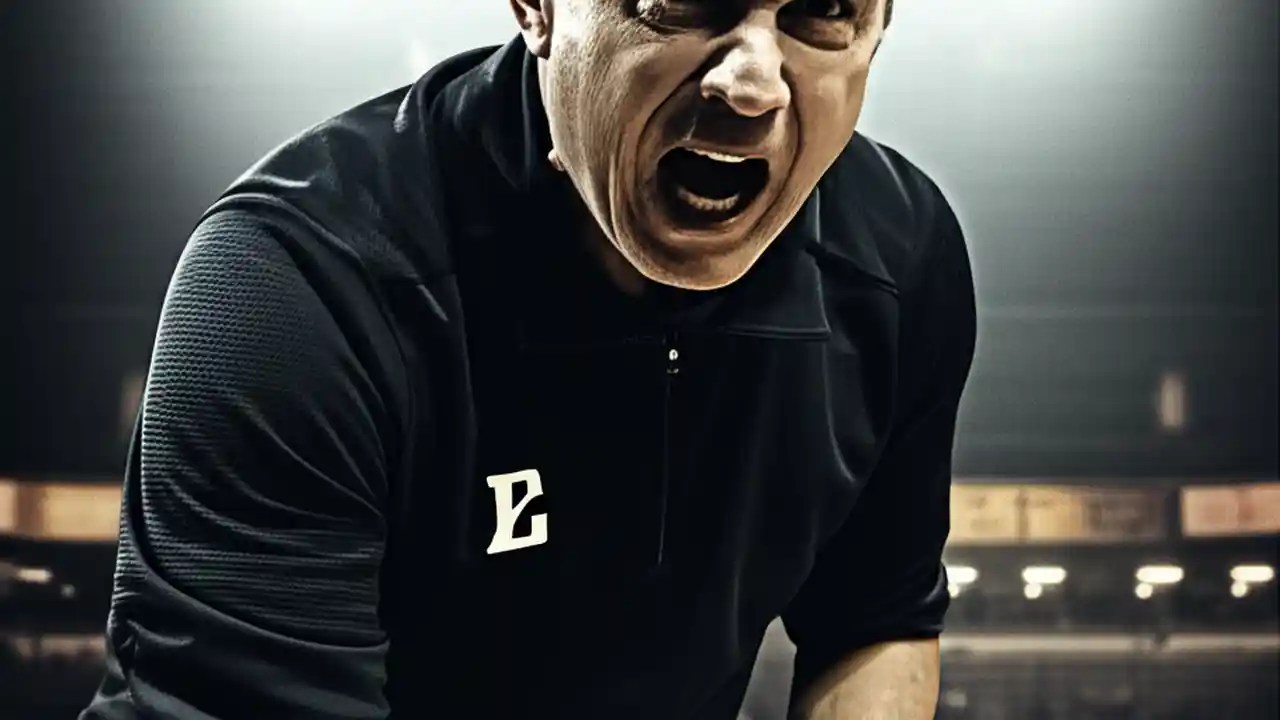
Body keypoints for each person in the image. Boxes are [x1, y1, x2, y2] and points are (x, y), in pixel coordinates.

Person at [80, 0, 976, 718]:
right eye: (685, 3)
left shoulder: (899, 261)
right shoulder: (294, 283)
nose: (751, 83)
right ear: (536, 8)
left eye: (820, 11)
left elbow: (877, 620)